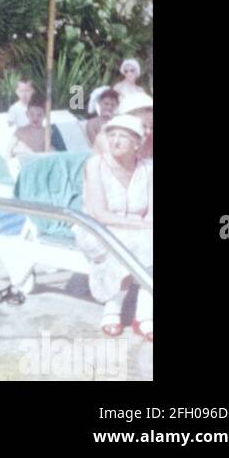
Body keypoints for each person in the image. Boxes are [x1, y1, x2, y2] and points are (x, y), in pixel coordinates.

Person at [74, 115, 153, 342]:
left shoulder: (148, 169)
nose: (115, 141)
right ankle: (113, 306)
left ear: (137, 143)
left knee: (148, 241)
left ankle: (144, 313)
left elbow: (151, 212)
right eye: (112, 135)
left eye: (123, 137)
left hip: (138, 229)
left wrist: (146, 226)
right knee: (127, 242)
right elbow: (99, 213)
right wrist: (143, 226)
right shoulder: (95, 165)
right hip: (97, 229)